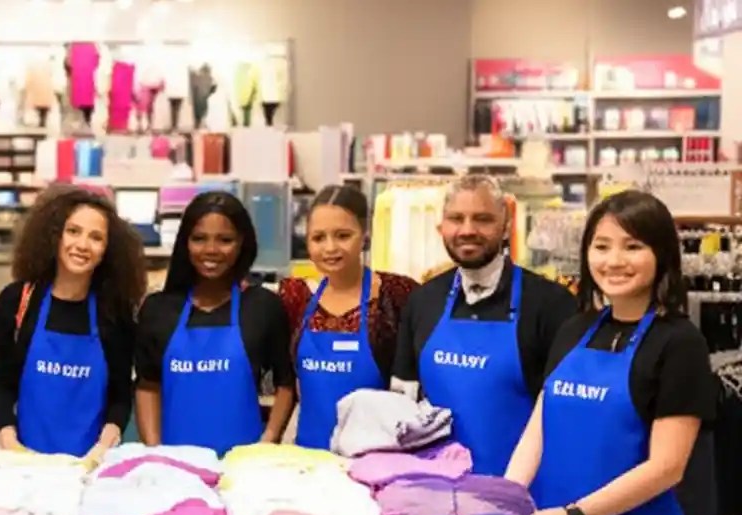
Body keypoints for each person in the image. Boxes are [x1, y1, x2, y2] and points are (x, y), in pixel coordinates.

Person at [507, 191, 711, 515]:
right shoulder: (575, 328)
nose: (614, 260)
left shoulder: (679, 342)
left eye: (632, 246)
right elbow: (542, 418)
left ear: (661, 254)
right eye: (601, 246)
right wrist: (508, 496)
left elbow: (667, 467)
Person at [393, 175, 575, 474]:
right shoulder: (423, 301)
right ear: (441, 227)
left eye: (482, 219)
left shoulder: (551, 304)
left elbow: (566, 416)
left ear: (506, 228)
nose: (467, 230)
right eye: (456, 218)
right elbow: (403, 400)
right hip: (434, 489)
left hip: (522, 493)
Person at [0, 186, 147, 459]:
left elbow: (120, 395)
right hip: (25, 461)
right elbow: (0, 383)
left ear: (107, 250)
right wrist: (11, 444)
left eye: (96, 237)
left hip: (89, 467)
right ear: (55, 235)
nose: (82, 245)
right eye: (73, 231)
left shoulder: (115, 313)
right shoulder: (17, 302)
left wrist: (102, 449)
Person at [135, 190, 294, 455]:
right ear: (185, 243)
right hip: (176, 468)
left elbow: (286, 383)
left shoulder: (262, 306)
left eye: (225, 240)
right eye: (199, 239)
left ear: (242, 242)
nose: (211, 250)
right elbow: (147, 386)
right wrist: (155, 453)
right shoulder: (158, 309)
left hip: (243, 469)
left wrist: (268, 442)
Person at [278, 185, 418, 449]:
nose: (330, 248)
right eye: (318, 238)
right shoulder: (294, 297)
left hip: (375, 462)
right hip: (308, 460)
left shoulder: (396, 295)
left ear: (364, 235)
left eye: (343, 235)